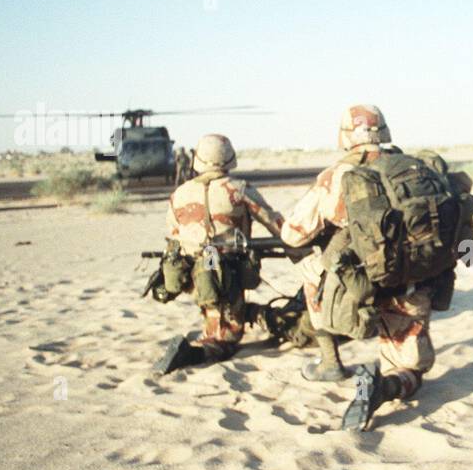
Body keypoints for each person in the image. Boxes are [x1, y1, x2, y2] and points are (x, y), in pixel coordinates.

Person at [280, 105, 441, 431]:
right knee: (410, 368)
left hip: (355, 290)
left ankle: (330, 361)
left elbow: (292, 234)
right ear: (383, 131)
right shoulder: (413, 169)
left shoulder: (335, 176)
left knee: (310, 268)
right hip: (409, 284)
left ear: (344, 136)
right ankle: (387, 386)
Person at [162, 133, 285, 368]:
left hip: (196, 273)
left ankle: (227, 322)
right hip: (228, 273)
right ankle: (192, 355)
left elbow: (174, 233)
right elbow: (274, 223)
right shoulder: (239, 189)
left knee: (215, 310)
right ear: (229, 158)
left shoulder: (180, 194)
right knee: (226, 337)